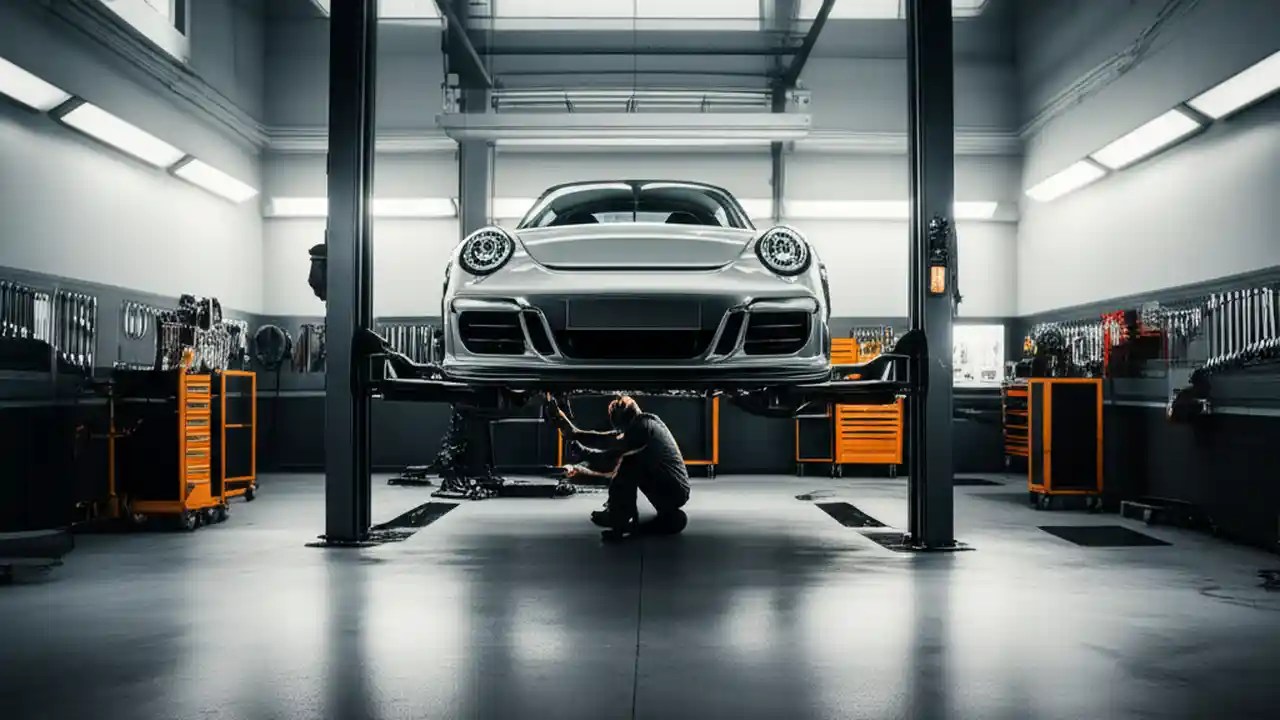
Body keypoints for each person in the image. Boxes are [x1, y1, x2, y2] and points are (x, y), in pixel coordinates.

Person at [546, 394, 691, 541]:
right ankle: (644, 522)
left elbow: (610, 448)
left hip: (672, 489)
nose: (618, 400)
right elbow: (610, 450)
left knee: (629, 462)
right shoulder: (640, 428)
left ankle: (618, 519)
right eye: (615, 406)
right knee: (627, 462)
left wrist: (575, 435)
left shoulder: (645, 423)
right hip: (672, 492)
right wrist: (577, 440)